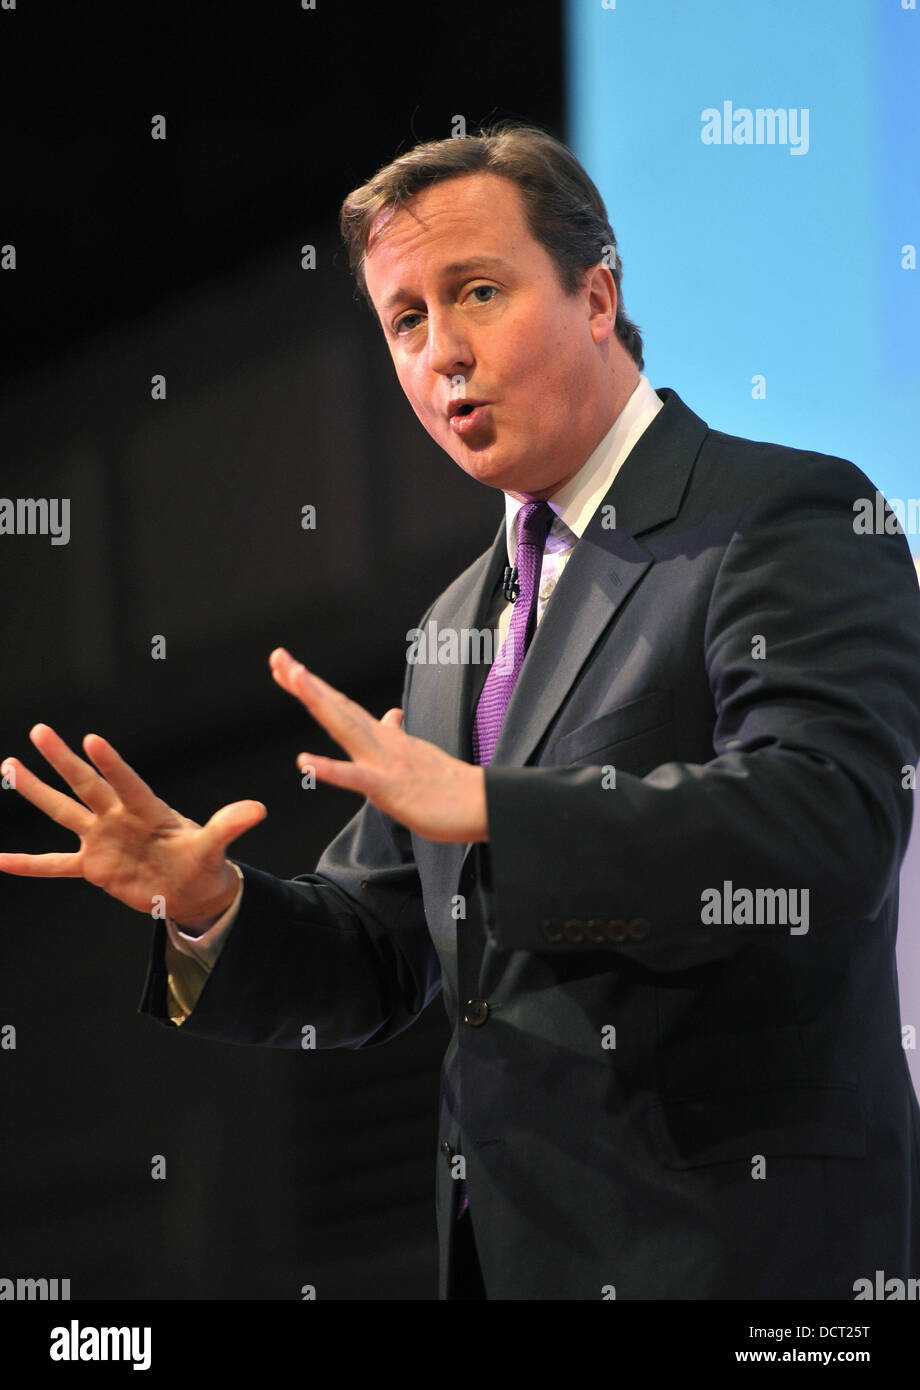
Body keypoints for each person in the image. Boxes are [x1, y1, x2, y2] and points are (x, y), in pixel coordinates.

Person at [2, 123, 919, 1301]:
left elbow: (822, 825)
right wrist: (209, 905)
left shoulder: (778, 515)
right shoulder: (459, 625)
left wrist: (499, 808)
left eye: (475, 292)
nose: (442, 352)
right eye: (404, 320)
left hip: (745, 1260)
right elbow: (386, 949)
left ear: (595, 296)